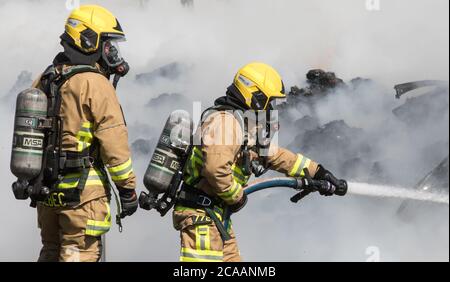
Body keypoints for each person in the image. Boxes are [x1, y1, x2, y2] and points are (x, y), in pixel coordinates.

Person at [172, 62, 346, 262]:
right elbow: (215, 169)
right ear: (255, 97)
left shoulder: (242, 125)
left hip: (216, 216)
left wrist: (318, 172)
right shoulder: (225, 123)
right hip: (201, 217)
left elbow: (273, 155)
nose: (271, 108)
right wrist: (236, 196)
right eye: (269, 101)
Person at [31, 5, 137, 262]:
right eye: (108, 45)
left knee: (51, 254)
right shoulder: (95, 83)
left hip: (48, 195)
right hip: (83, 199)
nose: (112, 53)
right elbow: (114, 144)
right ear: (89, 41)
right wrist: (127, 190)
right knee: (79, 256)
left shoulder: (45, 79)